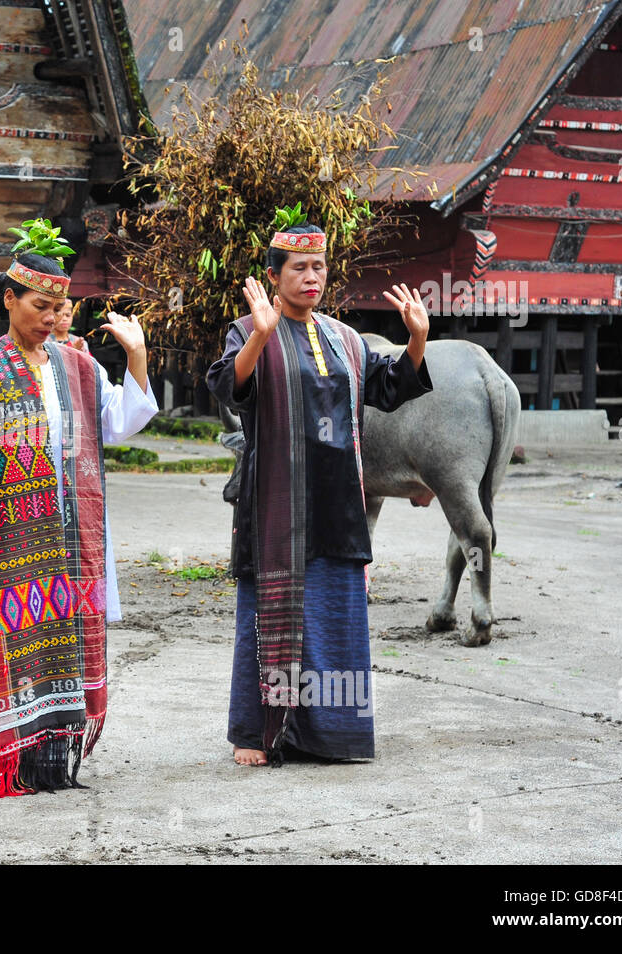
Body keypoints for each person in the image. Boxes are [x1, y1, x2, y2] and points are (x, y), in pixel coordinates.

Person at [0, 223, 157, 798]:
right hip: (3, 537)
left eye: (59, 307)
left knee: (58, 639)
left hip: (70, 536)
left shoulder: (78, 366)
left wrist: (139, 357)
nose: (50, 317)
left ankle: (49, 763)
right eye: (40, 305)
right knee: (0, 638)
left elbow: (119, 422)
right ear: (9, 301)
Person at [205, 219, 432, 768]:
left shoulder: (346, 339)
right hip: (276, 504)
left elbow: (390, 387)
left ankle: (329, 734)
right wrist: (260, 335)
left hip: (337, 505)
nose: (312, 277)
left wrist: (417, 338)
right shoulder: (247, 329)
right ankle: (259, 733)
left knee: (334, 616)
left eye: (319, 266)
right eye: (299, 268)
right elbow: (230, 388)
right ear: (273, 275)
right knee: (269, 617)